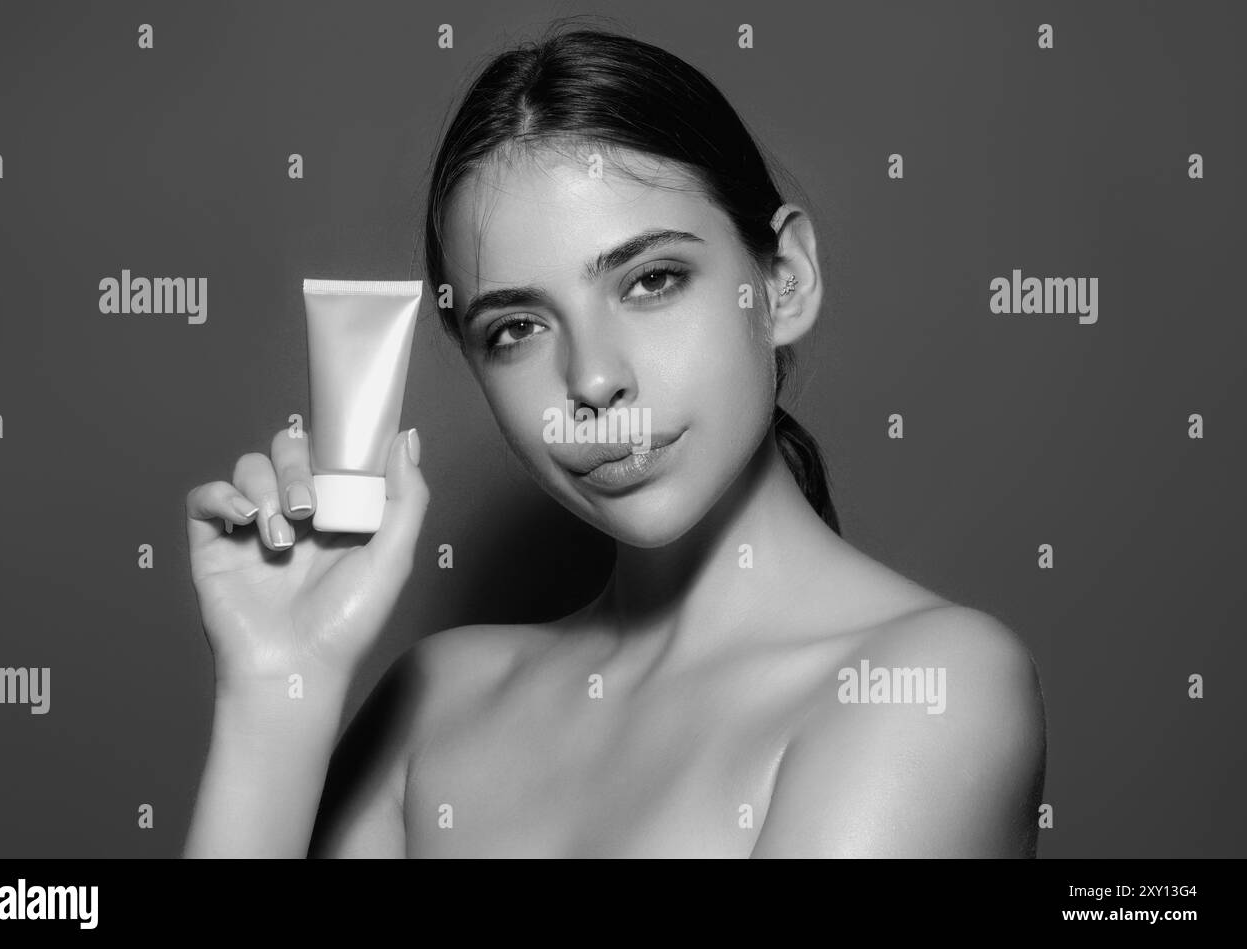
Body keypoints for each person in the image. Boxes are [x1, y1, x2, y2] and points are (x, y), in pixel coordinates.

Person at [183, 21, 1046, 858]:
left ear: (783, 281)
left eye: (652, 279)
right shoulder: (432, 701)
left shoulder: (926, 686)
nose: (593, 380)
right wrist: (273, 692)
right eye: (517, 327)